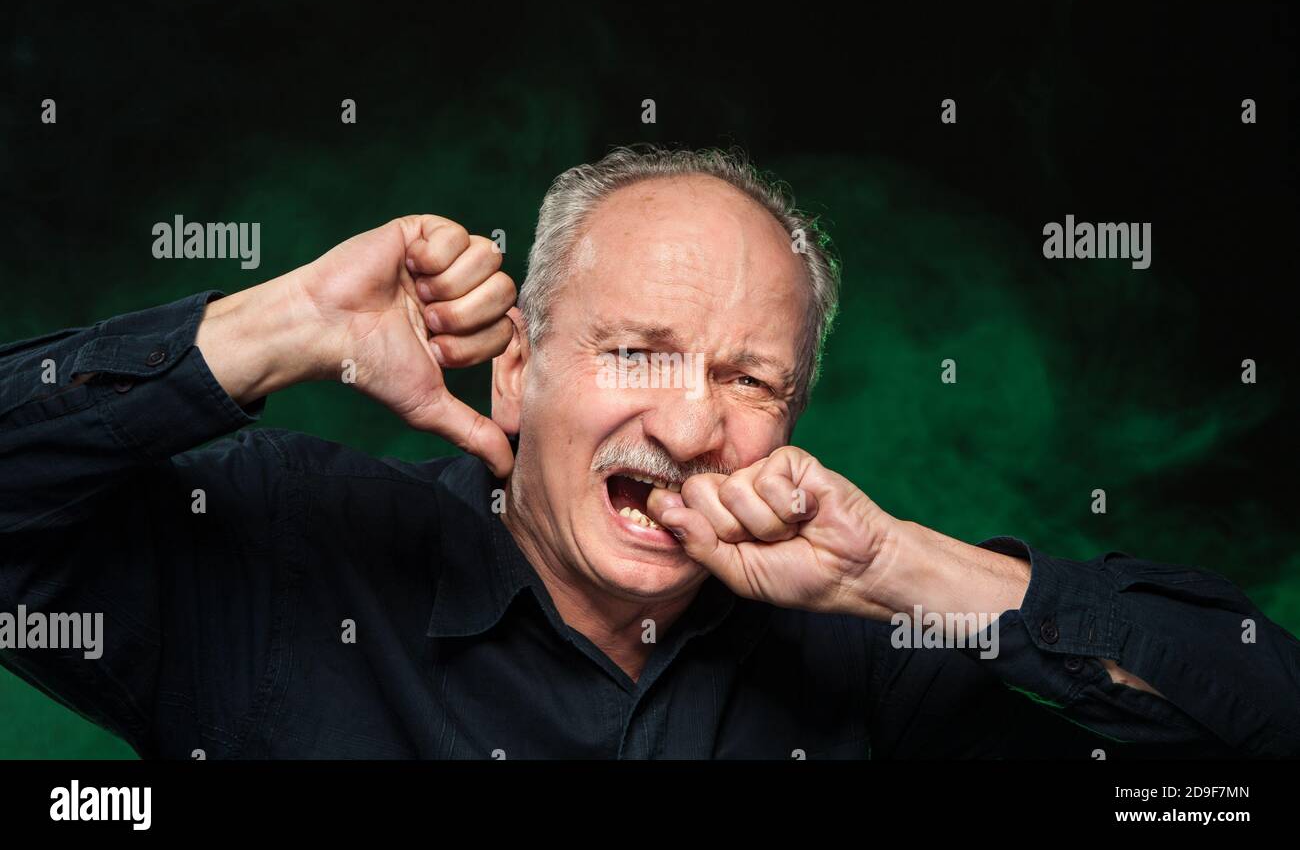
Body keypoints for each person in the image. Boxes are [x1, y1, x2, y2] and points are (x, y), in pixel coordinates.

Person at [2, 146, 1296, 758]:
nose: (688, 423)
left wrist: (916, 578)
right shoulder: (287, 557)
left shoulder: (879, 658)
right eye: (635, 351)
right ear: (516, 365)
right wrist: (273, 328)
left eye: (750, 378)